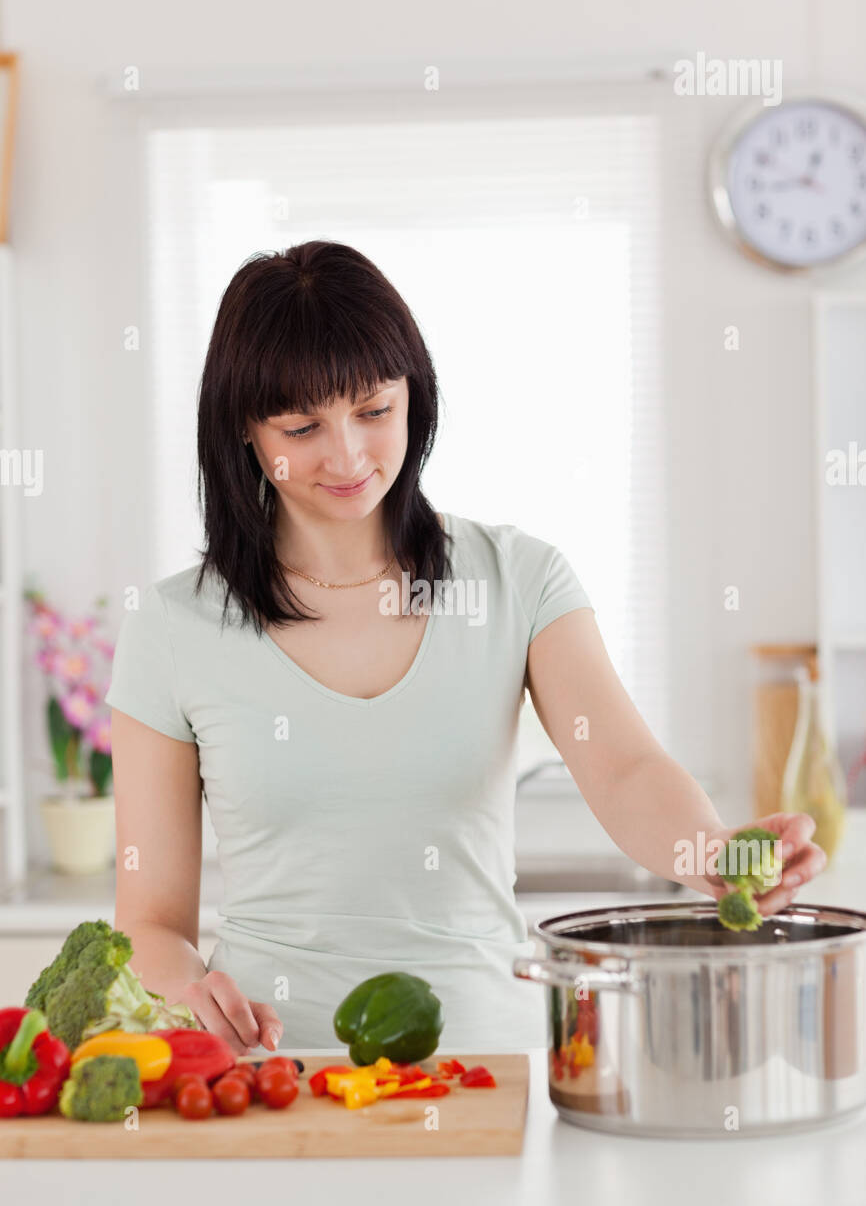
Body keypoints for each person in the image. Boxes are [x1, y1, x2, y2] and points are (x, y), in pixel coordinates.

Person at [105, 240, 826, 1056]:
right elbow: (153, 923)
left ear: (416, 397)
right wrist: (186, 989)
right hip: (273, 1076)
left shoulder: (517, 578)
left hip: (486, 1064)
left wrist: (714, 856)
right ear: (243, 426)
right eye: (303, 425)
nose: (347, 456)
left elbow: (624, 769)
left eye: (374, 411)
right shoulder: (174, 626)